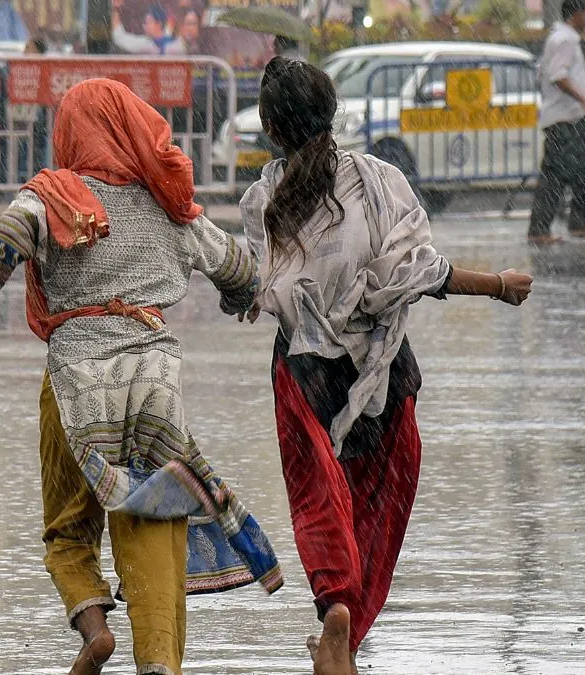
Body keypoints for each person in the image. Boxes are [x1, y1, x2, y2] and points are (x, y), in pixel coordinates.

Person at [0, 79, 283, 675]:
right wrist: (239, 298)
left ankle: (95, 632)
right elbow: (240, 268)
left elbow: (3, 238)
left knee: (69, 527)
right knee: (153, 523)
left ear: (70, 134)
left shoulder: (55, 195)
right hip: (155, 387)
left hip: (76, 386)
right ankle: (159, 662)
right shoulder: (168, 209)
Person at [239, 57, 534, 675]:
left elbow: (254, 284)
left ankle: (335, 606)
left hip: (307, 375)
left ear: (270, 129)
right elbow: (418, 271)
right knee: (377, 503)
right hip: (386, 370)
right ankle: (347, 625)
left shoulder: (263, 202)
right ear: (332, 113)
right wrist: (499, 285)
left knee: (318, 498)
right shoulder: (381, 181)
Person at [528, 0, 585, 244]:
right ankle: (539, 230)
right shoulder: (565, 39)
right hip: (563, 119)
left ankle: (578, 223)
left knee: (582, 171)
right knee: (556, 175)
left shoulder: (565, 38)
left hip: (572, 118)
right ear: (576, 14)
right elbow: (558, 76)